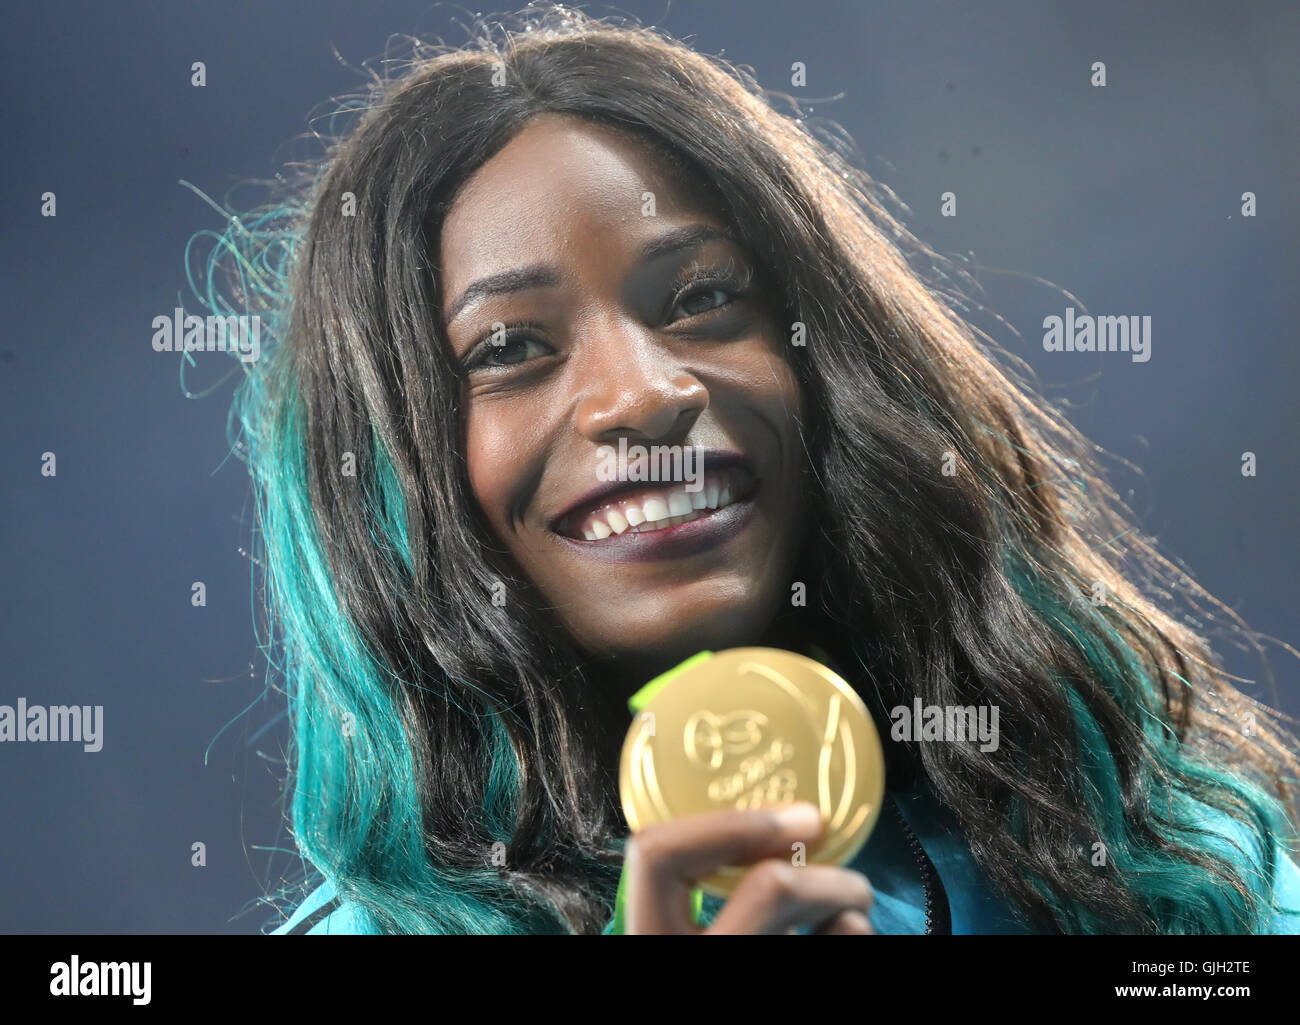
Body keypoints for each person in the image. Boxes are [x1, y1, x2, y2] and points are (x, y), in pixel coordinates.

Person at [195, 5, 1300, 934]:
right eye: (509, 349)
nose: (642, 393)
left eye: (700, 297)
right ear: (391, 480)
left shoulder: (1162, 852)